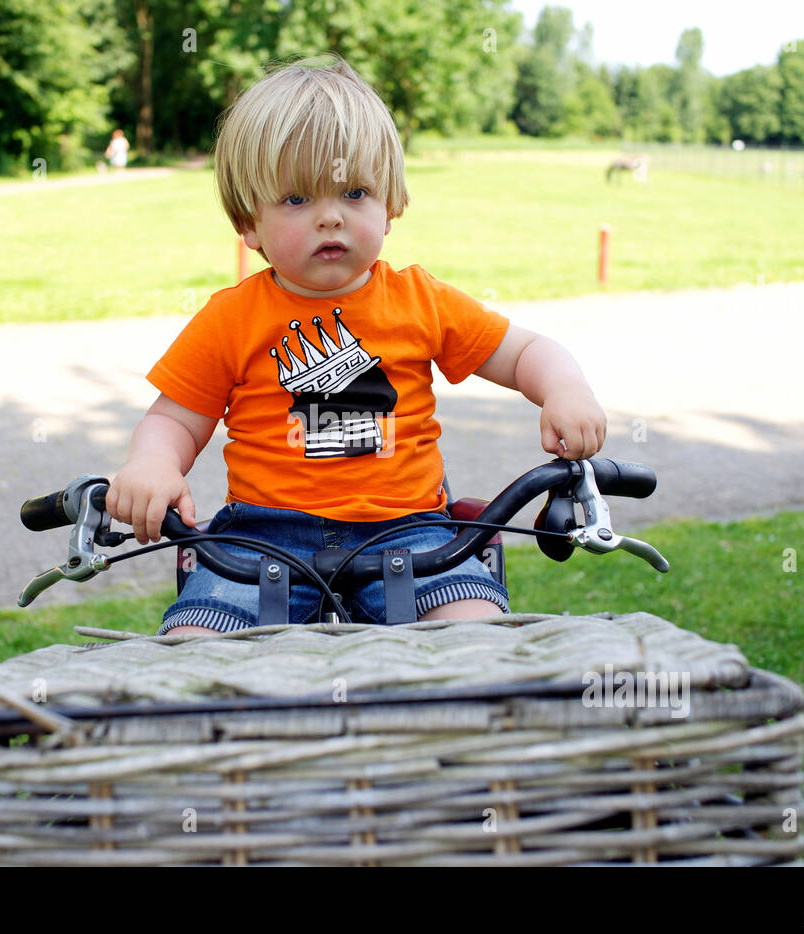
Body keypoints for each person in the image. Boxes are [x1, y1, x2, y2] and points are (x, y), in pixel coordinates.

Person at [105, 56, 606, 636]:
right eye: (297, 199)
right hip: (261, 536)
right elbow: (174, 418)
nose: (330, 218)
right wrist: (152, 463)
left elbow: (524, 353)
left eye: (354, 192)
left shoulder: (422, 301)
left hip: (410, 530)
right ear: (249, 224)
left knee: (476, 632)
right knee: (195, 646)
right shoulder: (230, 318)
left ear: (390, 205)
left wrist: (565, 388)